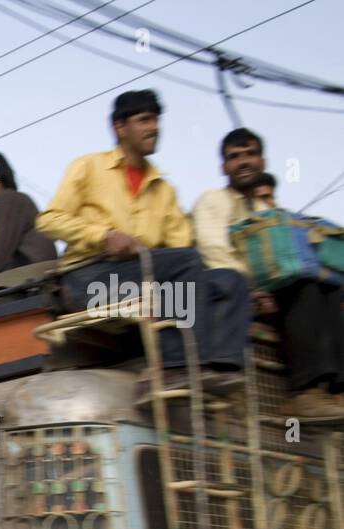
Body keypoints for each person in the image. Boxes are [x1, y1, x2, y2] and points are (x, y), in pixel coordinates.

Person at [36, 90, 253, 396]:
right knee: (185, 263)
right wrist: (103, 235)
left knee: (230, 280)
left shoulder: (165, 190)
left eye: (156, 120)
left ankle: (221, 368)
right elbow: (48, 220)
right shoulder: (88, 166)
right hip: (88, 282)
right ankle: (171, 369)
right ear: (119, 128)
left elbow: (181, 251)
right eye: (144, 120)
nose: (154, 128)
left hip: (146, 278)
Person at [192, 129, 344, 419]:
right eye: (234, 157)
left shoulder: (269, 210)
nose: (243, 162)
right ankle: (304, 392)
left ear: (262, 161)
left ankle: (336, 390)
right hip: (228, 290)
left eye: (249, 154)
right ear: (224, 167)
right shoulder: (213, 200)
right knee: (304, 289)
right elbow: (215, 251)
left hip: (270, 290)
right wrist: (251, 288)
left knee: (329, 288)